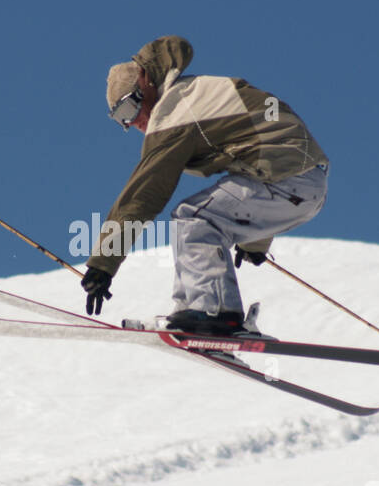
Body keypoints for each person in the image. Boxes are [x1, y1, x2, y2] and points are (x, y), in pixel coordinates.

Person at [82, 35, 329, 336]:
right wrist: (254, 240)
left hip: (287, 179)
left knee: (193, 219)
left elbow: (143, 196)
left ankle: (214, 311)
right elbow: (268, 133)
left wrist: (103, 263)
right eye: (120, 119)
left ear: (145, 84)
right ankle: (191, 312)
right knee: (193, 220)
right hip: (304, 184)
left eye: (128, 109)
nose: (131, 122)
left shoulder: (174, 110)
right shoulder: (194, 93)